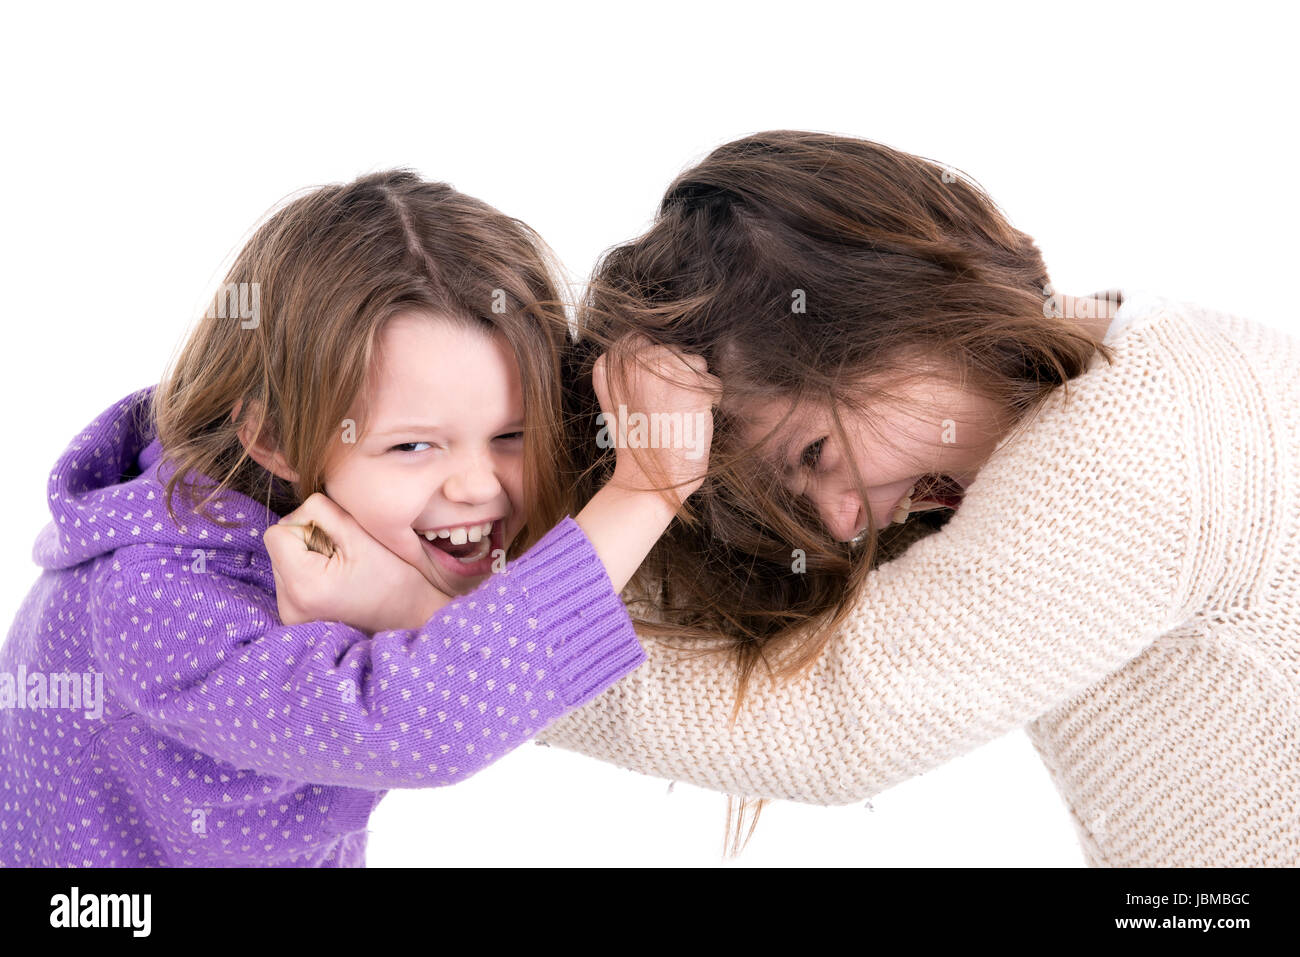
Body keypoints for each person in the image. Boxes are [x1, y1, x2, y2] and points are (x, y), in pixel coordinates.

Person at [531, 131, 1300, 867]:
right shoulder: (1122, 372)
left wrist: (473, 660)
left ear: (902, 316)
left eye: (815, 453)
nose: (837, 519)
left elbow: (841, 718)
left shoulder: (1144, 435)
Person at [0, 169, 718, 867]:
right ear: (274, 439)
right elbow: (418, 724)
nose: (478, 486)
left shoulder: (311, 506)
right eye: (412, 445)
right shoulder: (153, 597)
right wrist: (646, 492)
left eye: (513, 435)